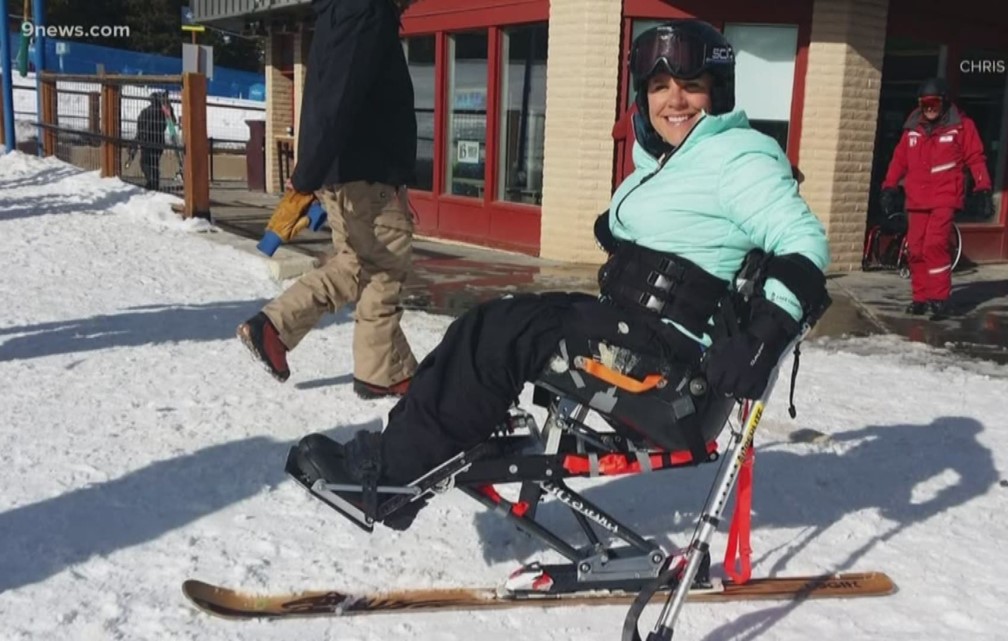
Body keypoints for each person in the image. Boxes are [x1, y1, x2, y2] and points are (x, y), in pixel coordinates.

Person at [288, 19, 832, 531]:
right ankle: (410, 458)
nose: (674, 99)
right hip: (634, 333)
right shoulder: (669, 159)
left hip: (672, 379)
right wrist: (622, 229)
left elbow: (803, 242)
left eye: (690, 84)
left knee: (504, 335)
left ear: (719, 92)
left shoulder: (739, 155)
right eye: (660, 85)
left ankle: (387, 480)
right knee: (489, 321)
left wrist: (764, 338)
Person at [237, 0, 420, 400]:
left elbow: (324, 96)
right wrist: (306, 178)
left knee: (355, 265)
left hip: (349, 174)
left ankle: (274, 327)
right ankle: (381, 374)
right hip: (367, 174)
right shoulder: (365, 11)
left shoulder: (341, 14)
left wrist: (314, 172)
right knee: (384, 269)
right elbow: (335, 100)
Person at [880, 77, 993, 318]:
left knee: (935, 245)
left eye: (934, 103)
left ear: (944, 102)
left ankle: (939, 298)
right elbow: (899, 159)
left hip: (945, 195)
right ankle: (920, 298)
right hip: (917, 197)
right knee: (916, 249)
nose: (929, 108)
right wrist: (889, 186)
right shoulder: (912, 127)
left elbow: (975, 157)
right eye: (924, 103)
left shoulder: (961, 126)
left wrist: (983, 187)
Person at [127, 91, 169, 191]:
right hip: (159, 142)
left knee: (145, 163)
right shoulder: (164, 112)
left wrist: (137, 141)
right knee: (154, 163)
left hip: (147, 142)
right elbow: (169, 123)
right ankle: (154, 183)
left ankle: (151, 182)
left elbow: (141, 129)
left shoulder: (145, 112)